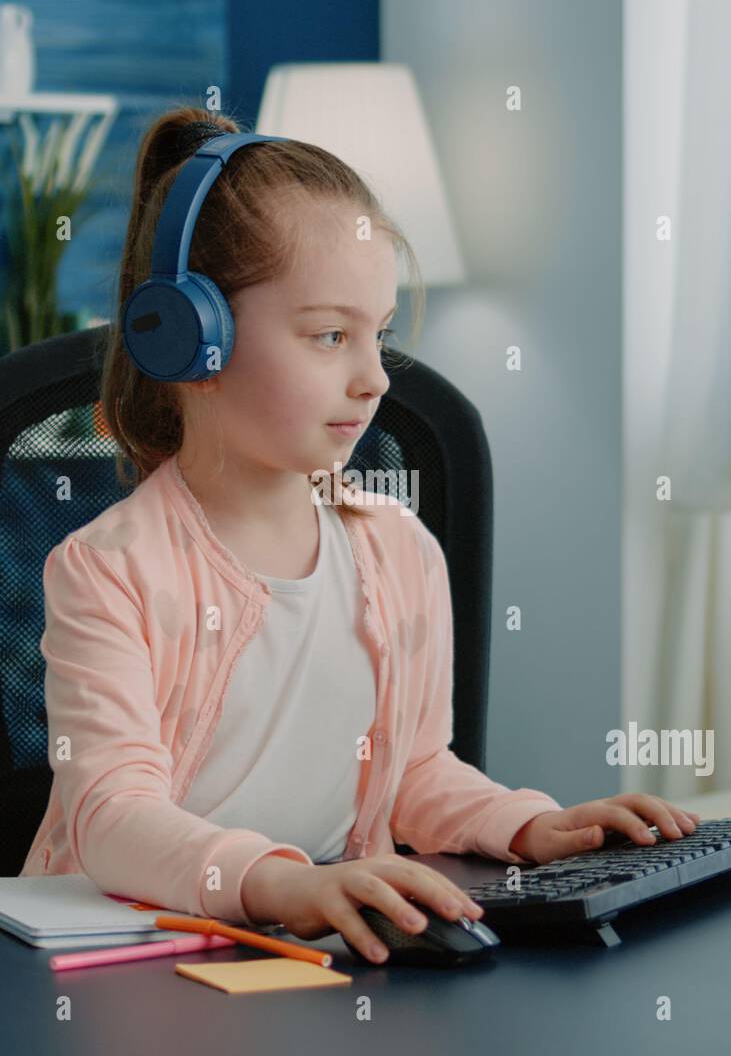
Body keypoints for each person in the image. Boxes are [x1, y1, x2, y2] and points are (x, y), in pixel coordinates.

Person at [20, 107, 700, 965]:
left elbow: (416, 769)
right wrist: (281, 883)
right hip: (133, 954)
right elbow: (111, 816)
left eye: (377, 334)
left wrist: (528, 824)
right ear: (189, 338)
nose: (374, 375)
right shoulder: (106, 571)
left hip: (314, 941)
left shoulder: (396, 548)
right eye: (329, 335)